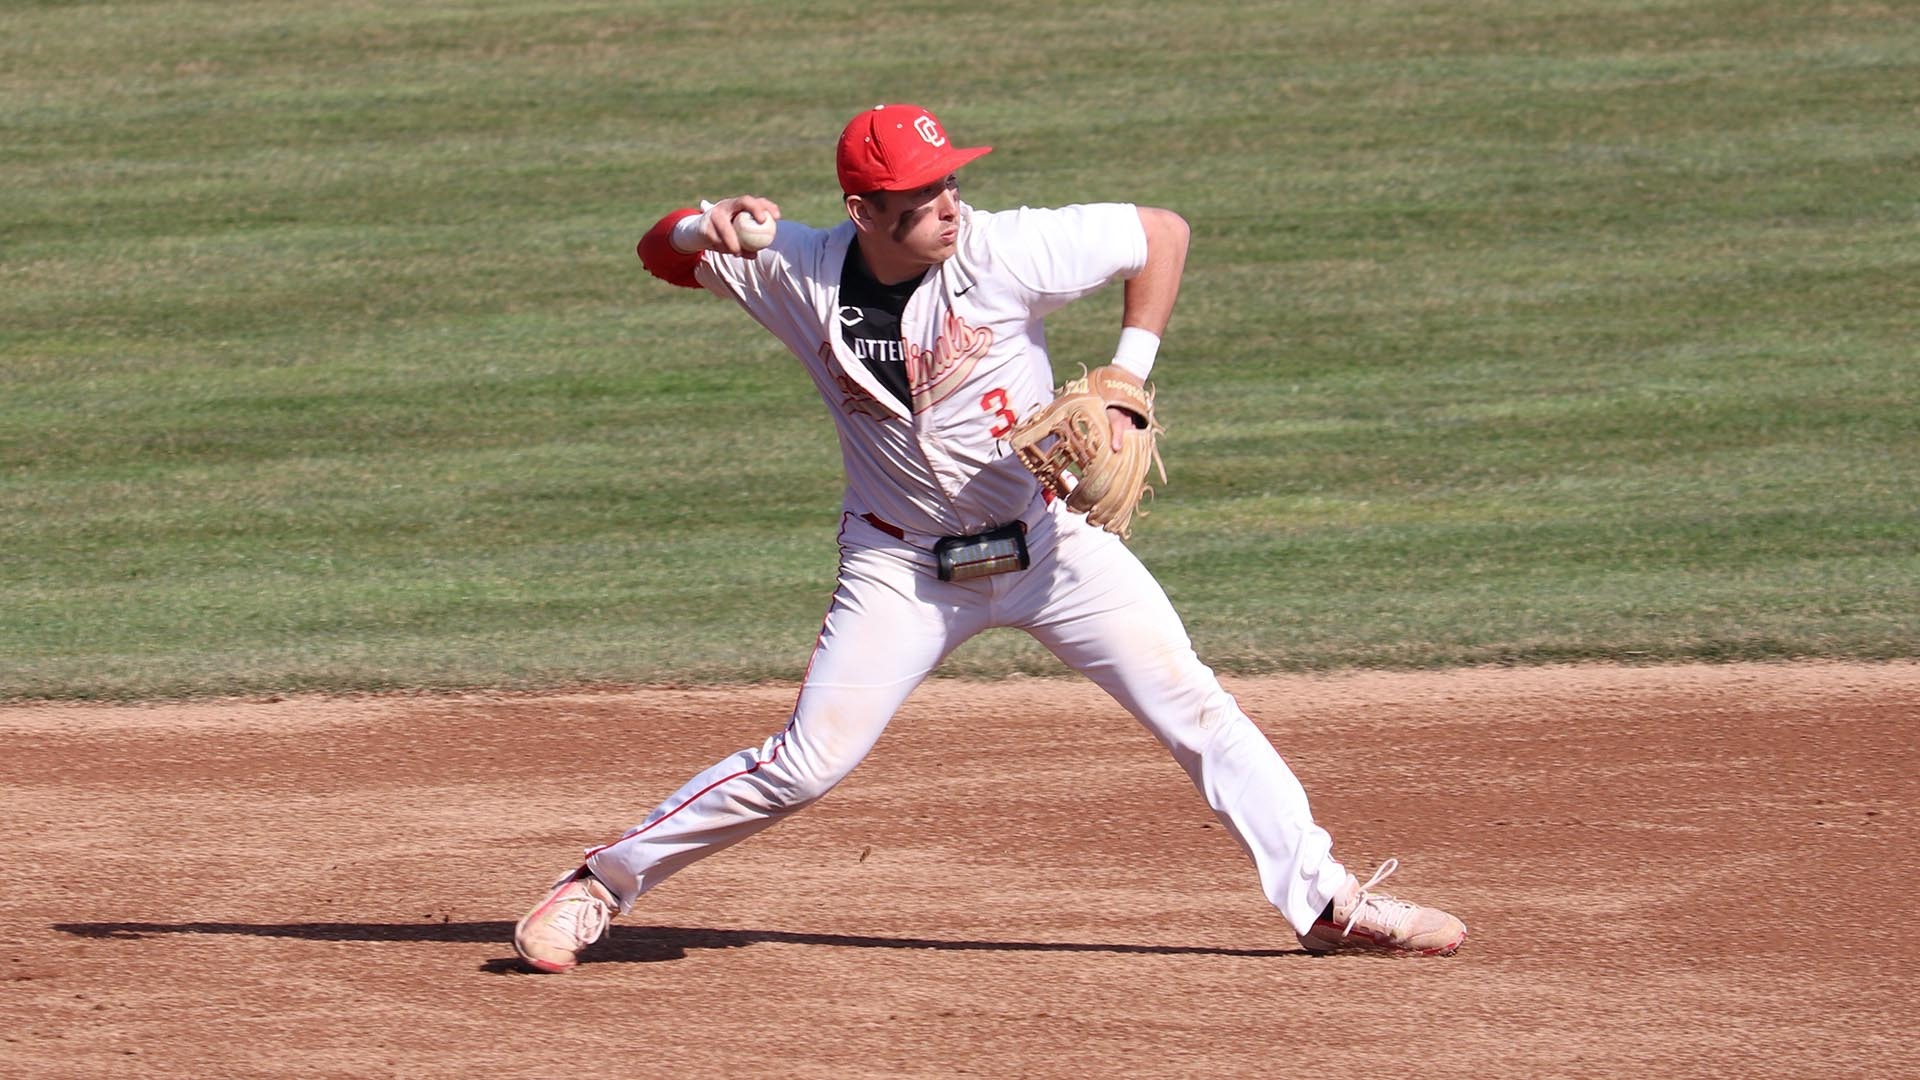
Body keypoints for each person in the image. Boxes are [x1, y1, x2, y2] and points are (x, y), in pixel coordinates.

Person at [512, 104, 1466, 972]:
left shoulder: (1007, 251)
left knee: (1196, 707)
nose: (948, 203)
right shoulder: (796, 270)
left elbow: (1160, 235)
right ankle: (601, 883)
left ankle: (1328, 902)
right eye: (921, 195)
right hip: (899, 566)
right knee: (808, 763)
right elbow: (659, 255)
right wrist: (698, 224)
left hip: (1053, 548)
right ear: (862, 209)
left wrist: (1130, 383)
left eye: (951, 180)